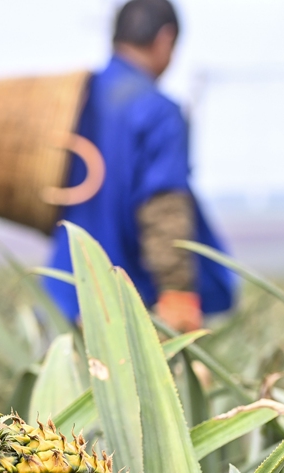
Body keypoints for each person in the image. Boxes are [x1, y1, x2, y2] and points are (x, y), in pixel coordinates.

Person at [43, 0, 235, 332]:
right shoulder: (159, 112)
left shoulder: (72, 101)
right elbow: (164, 209)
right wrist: (178, 295)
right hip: (121, 310)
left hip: (61, 295)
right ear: (165, 39)